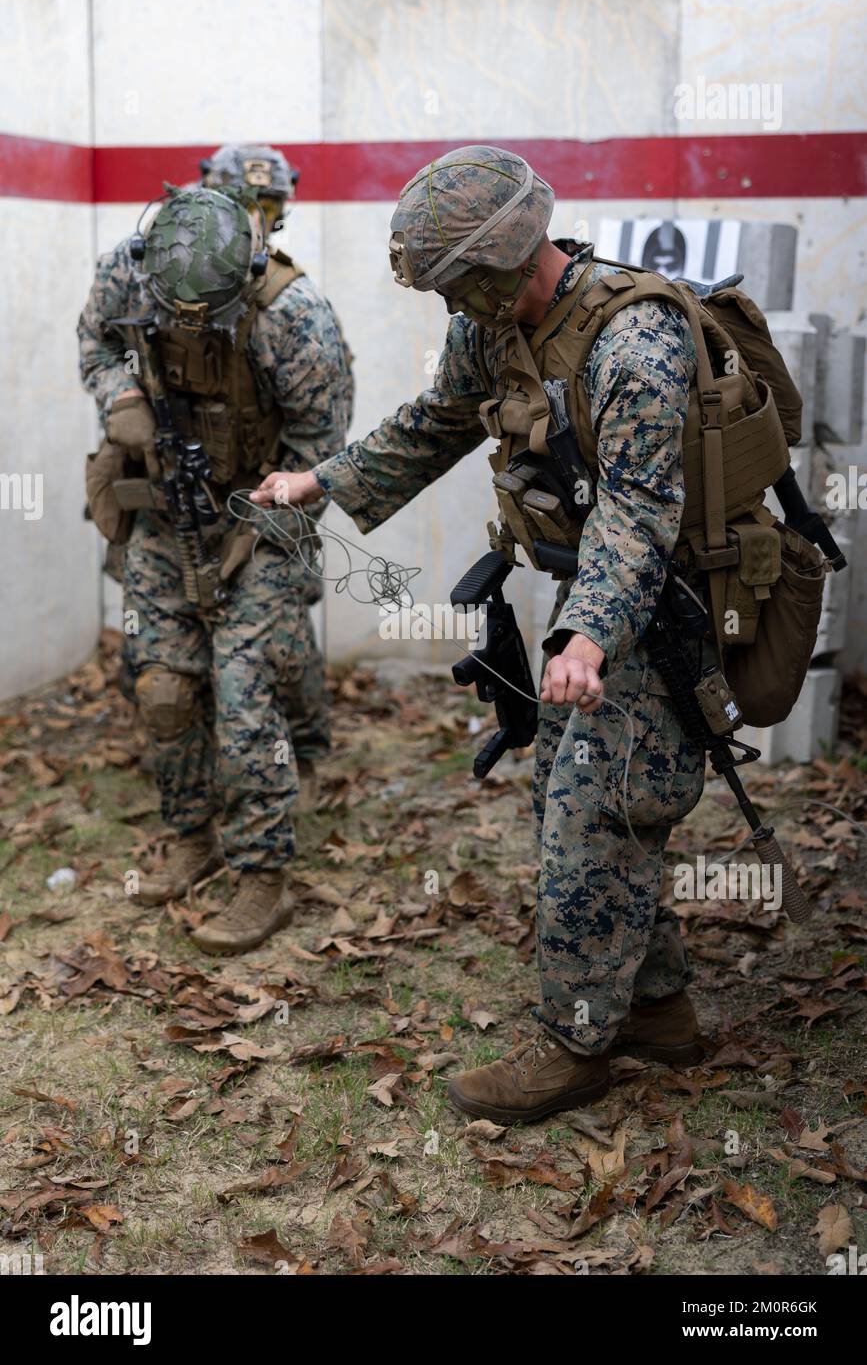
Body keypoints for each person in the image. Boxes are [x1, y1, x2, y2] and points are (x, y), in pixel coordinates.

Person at [249, 144, 711, 1120]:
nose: (450, 304)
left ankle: (575, 1040)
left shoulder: (636, 347)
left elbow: (638, 522)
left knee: (592, 815)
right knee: (578, 794)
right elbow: (432, 423)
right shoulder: (495, 327)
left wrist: (585, 638)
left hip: (665, 607)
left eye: (459, 282)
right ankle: (660, 1010)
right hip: (591, 601)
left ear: (504, 260)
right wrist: (319, 480)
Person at [79, 183, 353, 954]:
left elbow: (322, 452)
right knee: (163, 683)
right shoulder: (126, 274)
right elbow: (94, 343)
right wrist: (121, 396)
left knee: (241, 689)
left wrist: (263, 523)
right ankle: (191, 833)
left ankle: (263, 874)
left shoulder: (296, 319)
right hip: (165, 510)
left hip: (261, 514)